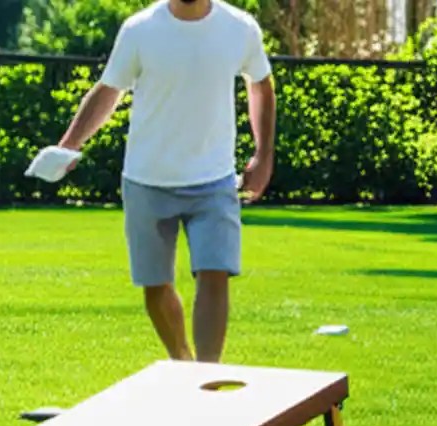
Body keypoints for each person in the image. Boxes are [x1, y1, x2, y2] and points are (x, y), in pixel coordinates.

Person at [53, 0, 276, 364]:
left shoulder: (240, 27)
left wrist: (264, 154)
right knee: (155, 284)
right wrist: (67, 147)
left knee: (214, 271)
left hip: (213, 180)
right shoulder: (140, 29)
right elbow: (109, 90)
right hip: (146, 178)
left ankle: (206, 374)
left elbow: (261, 85)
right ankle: (183, 363)